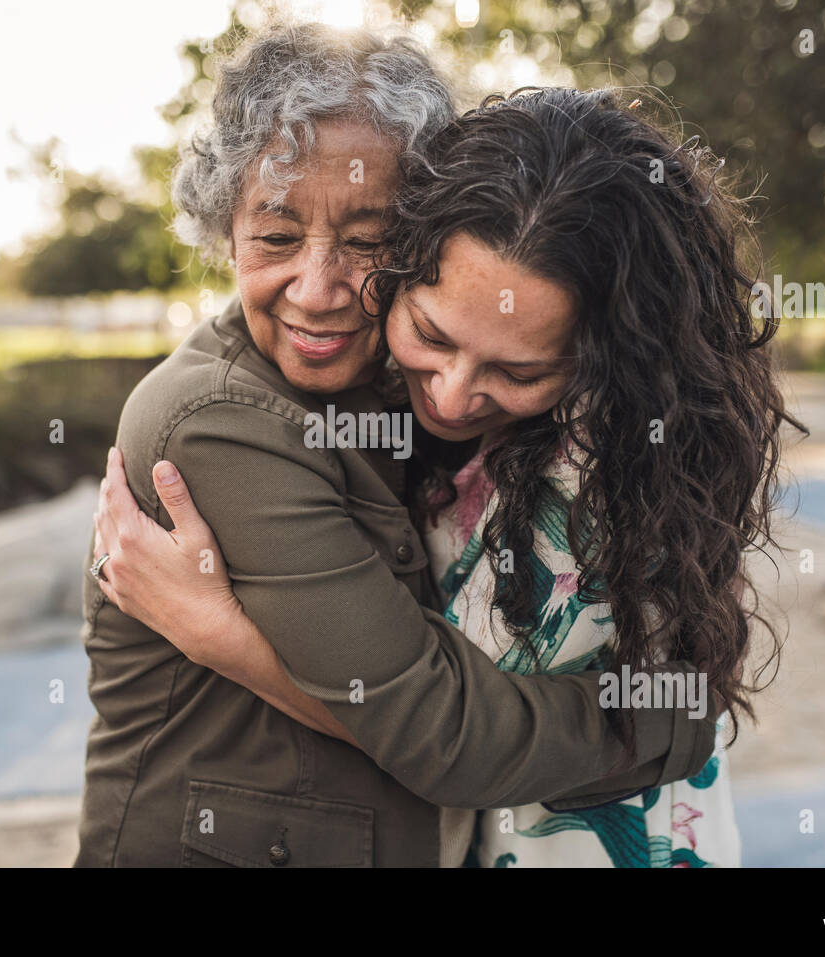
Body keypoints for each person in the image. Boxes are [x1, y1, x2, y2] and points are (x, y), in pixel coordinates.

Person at [76, 23, 719, 869]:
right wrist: (670, 721)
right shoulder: (217, 420)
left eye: (366, 240)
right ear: (223, 231)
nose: (317, 289)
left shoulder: (405, 386)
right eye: (275, 238)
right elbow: (437, 728)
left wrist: (229, 637)